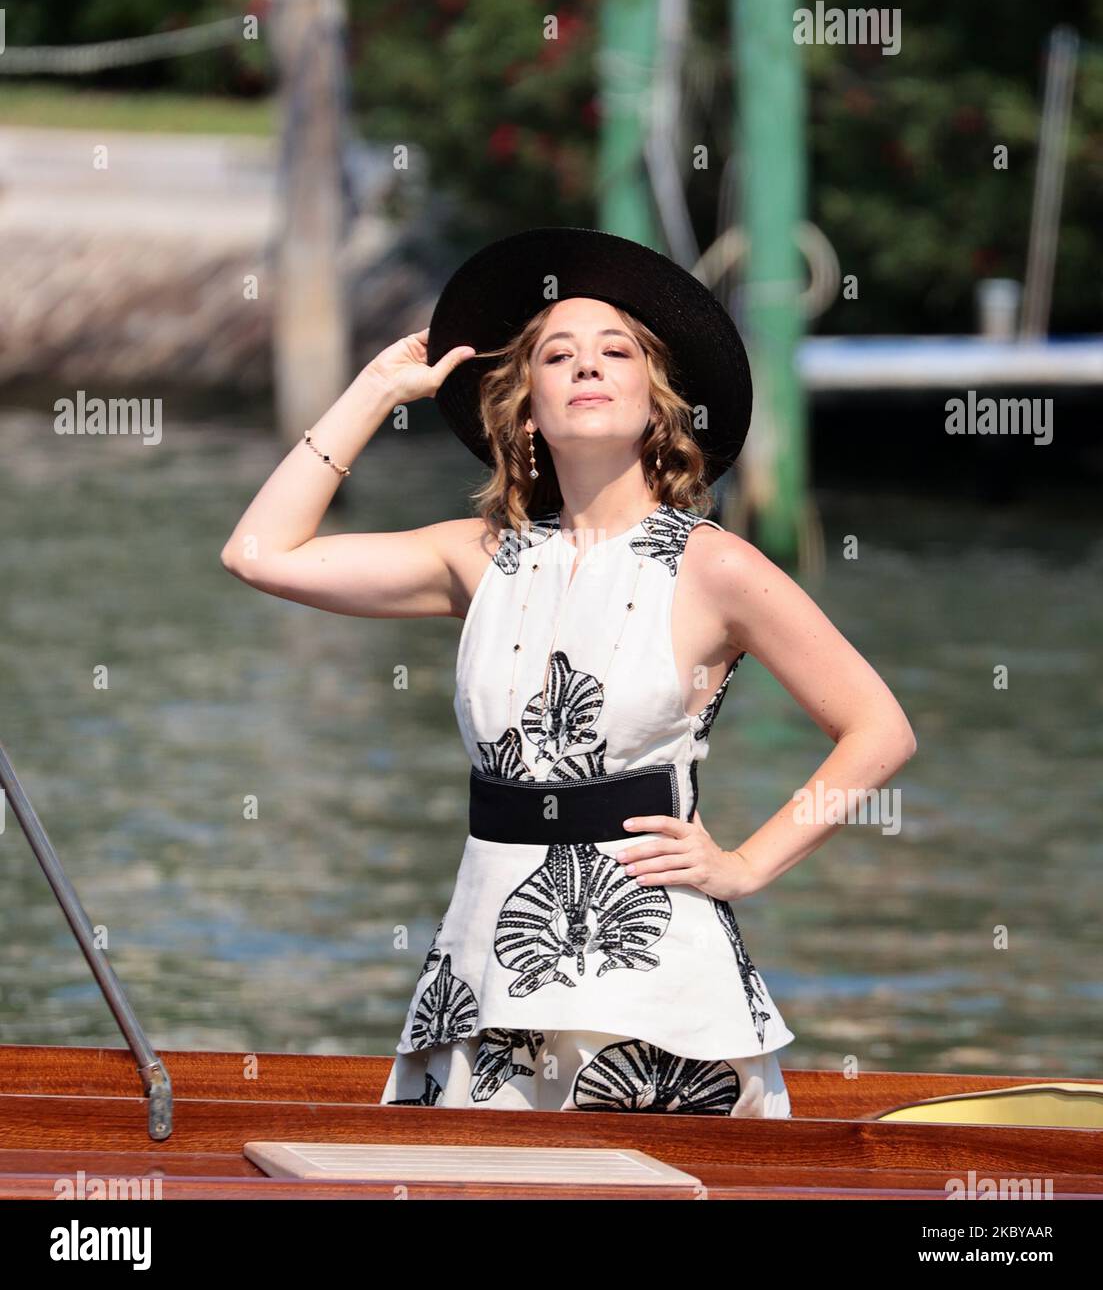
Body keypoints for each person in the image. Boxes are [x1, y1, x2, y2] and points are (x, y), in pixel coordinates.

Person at [221, 227, 917, 1119]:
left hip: (653, 974)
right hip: (484, 958)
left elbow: (877, 730)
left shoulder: (714, 566)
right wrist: (376, 388)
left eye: (614, 350)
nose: (587, 366)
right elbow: (258, 553)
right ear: (523, 411)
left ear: (657, 402)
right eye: (557, 354)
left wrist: (746, 864)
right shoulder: (476, 559)